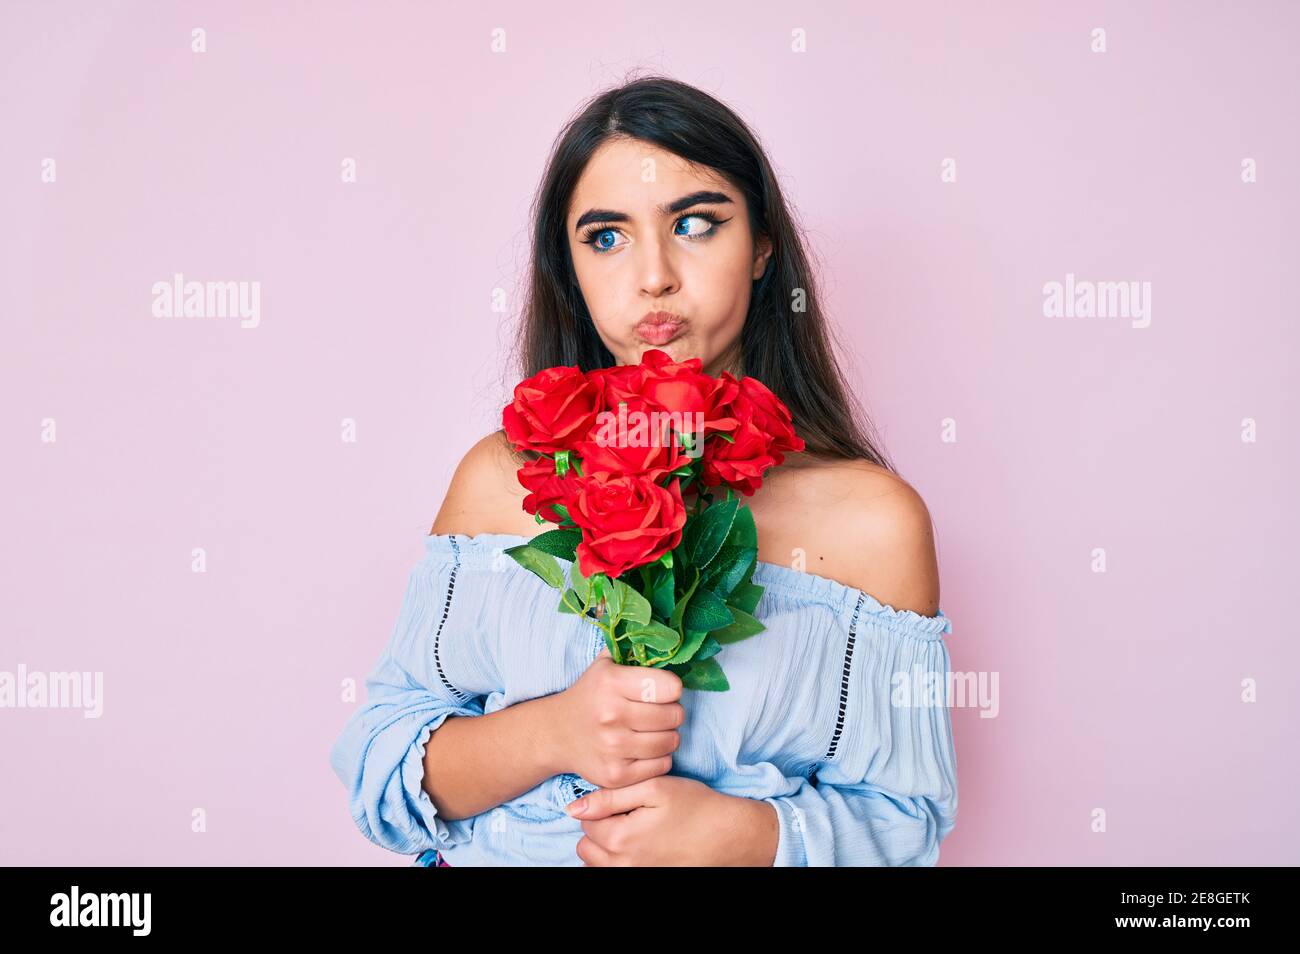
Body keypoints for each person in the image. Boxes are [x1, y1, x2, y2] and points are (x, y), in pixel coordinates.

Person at [330, 74, 957, 866]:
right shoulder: (501, 480)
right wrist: (555, 731)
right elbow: (378, 768)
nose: (653, 274)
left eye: (695, 224)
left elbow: (908, 826)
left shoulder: (874, 524)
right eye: (606, 237)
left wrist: (748, 838)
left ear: (763, 247)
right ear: (571, 268)